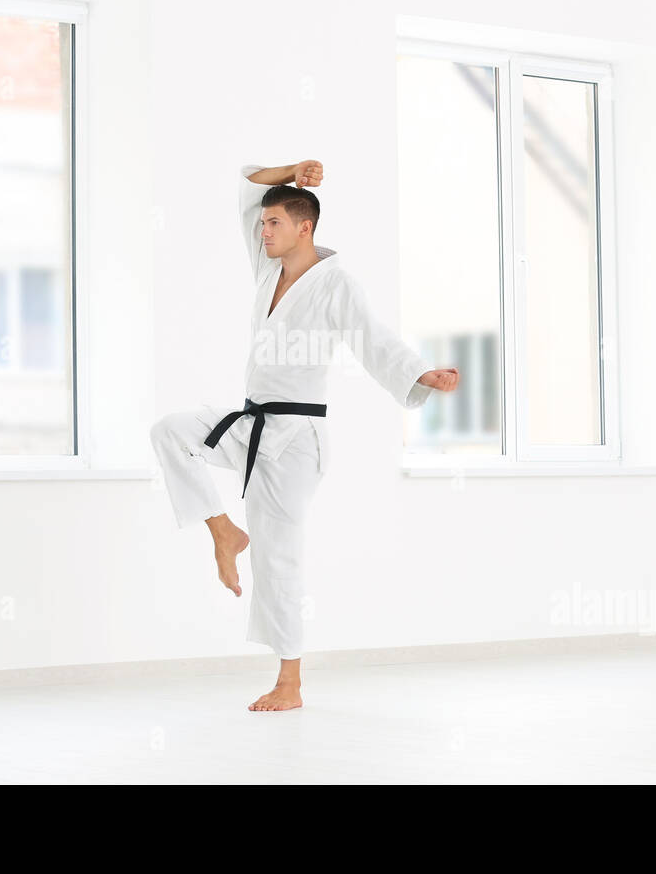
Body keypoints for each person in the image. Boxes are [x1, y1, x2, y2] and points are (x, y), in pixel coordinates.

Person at [149, 160, 459, 711]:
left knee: (279, 557)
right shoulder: (267, 270)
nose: (263, 231)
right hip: (252, 421)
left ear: (304, 227)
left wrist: (417, 374)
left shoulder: (335, 282)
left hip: (297, 439)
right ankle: (223, 531)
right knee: (171, 431)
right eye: (262, 225)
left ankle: (289, 681)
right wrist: (291, 169)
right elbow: (249, 185)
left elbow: (371, 336)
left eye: (273, 224)